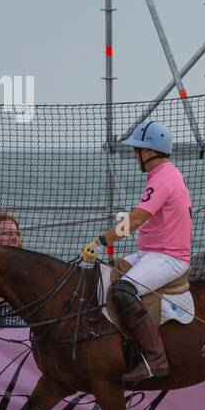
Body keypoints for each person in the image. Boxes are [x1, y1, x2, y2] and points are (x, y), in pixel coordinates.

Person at [81, 121, 192, 383]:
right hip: (152, 253)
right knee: (107, 274)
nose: (134, 155)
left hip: (168, 258)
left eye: (137, 150)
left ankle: (155, 359)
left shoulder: (164, 178)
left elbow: (136, 219)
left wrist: (99, 242)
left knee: (123, 290)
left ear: (148, 152)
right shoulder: (162, 175)